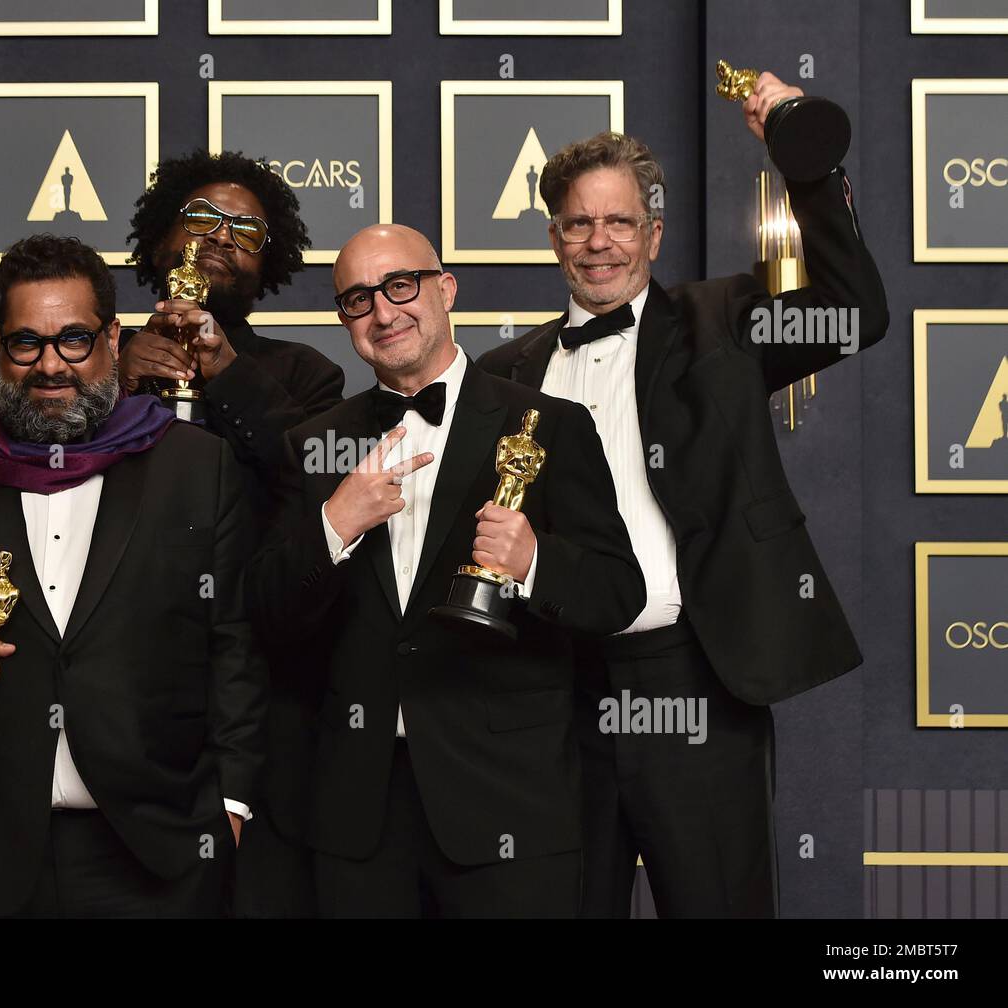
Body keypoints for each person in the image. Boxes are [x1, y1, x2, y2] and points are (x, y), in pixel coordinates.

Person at [477, 73, 889, 918]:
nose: (599, 242)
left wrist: (797, 149)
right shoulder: (503, 375)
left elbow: (853, 310)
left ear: (654, 235)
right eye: (579, 223)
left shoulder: (723, 322)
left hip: (697, 679)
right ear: (554, 238)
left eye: (619, 221)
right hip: (561, 691)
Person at [0, 234, 266, 918]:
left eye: (73, 339)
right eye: (26, 343)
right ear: (0, 347)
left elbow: (235, 641)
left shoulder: (195, 466)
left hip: (157, 854)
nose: (51, 366)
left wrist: (234, 805)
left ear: (112, 338)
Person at [248, 223, 646, 918]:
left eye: (400, 285)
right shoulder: (313, 444)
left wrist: (533, 561)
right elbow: (267, 615)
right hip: (356, 815)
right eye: (357, 300)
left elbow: (617, 593)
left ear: (445, 288)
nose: (383, 312)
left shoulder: (549, 425)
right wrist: (334, 524)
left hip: (509, 804)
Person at [123, 150, 344, 918]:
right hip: (124, 687)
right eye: (202, 218)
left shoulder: (306, 375)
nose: (220, 236)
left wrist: (224, 369)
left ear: (269, 257)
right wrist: (114, 381)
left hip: (266, 696)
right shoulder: (91, 360)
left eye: (244, 227)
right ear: (159, 242)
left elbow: (317, 481)